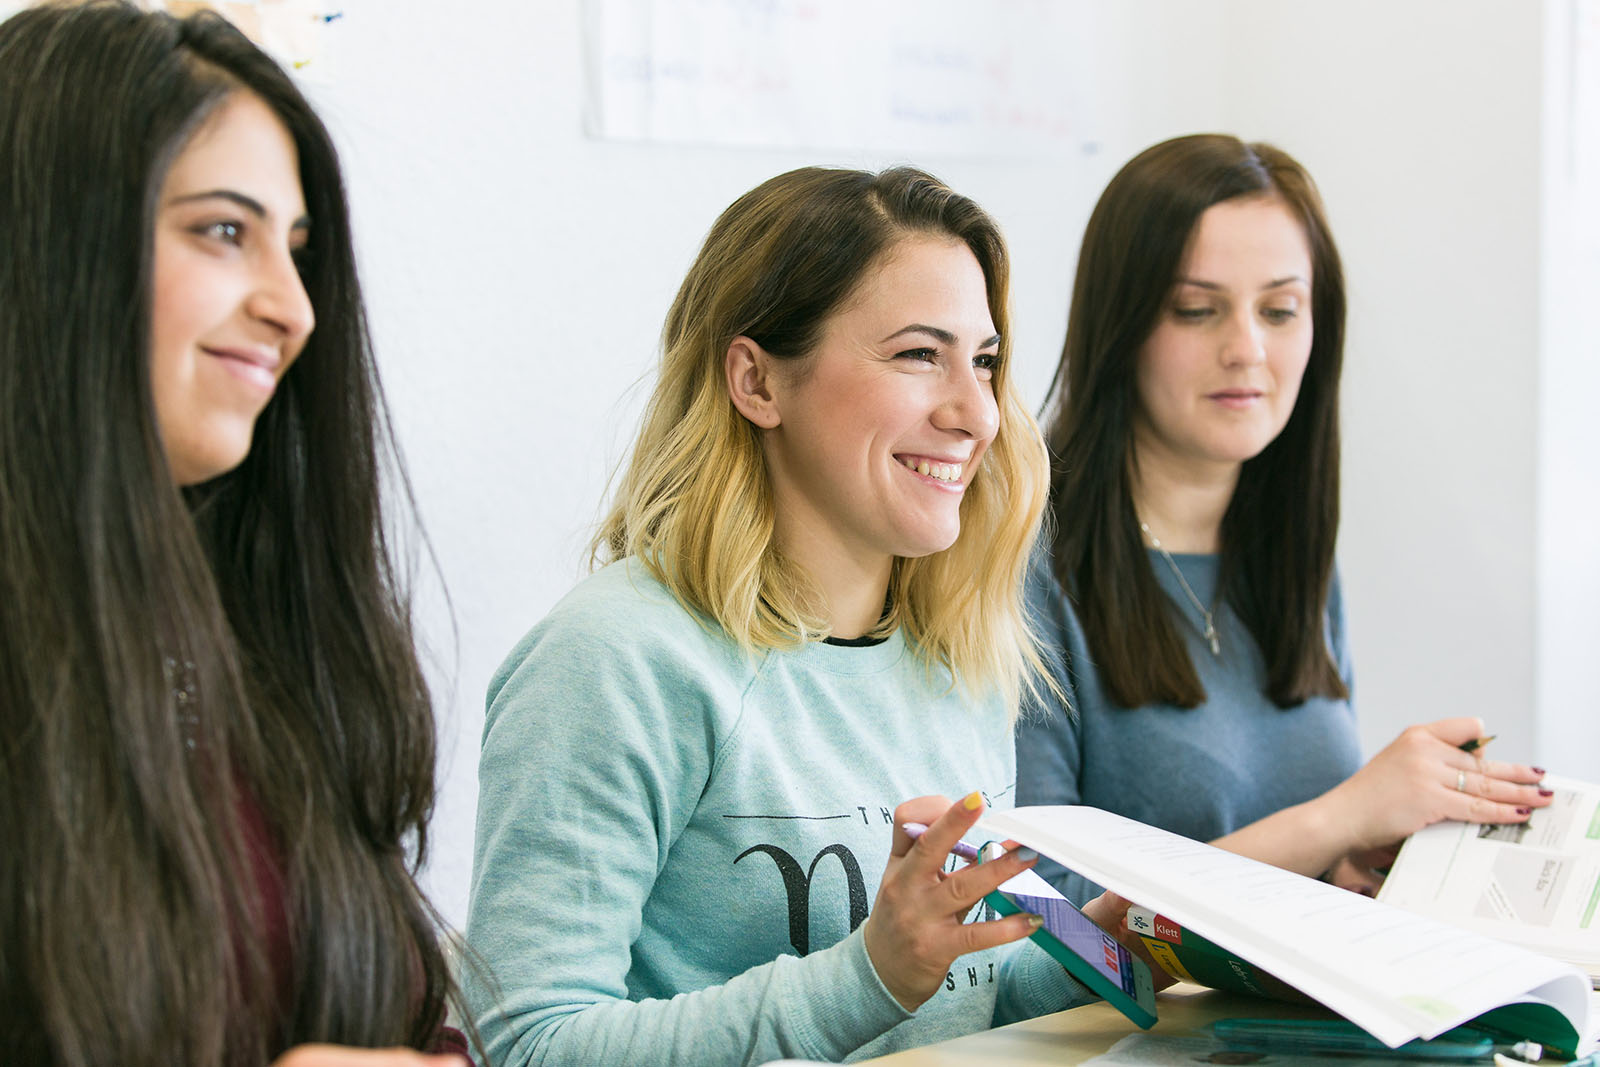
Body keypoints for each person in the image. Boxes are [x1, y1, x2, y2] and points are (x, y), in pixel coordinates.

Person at [463, 165, 1132, 1065]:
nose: (977, 412)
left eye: (983, 360)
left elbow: (971, 995)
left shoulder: (957, 653)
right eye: (917, 354)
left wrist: (1124, 949)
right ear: (758, 382)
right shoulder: (612, 660)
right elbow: (528, 1044)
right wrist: (872, 975)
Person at [0, 4, 468, 1064]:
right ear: (45, 241)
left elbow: (383, 1013)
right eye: (223, 230)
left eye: (296, 250)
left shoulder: (257, 639)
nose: (294, 308)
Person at [1015, 133, 1552, 906]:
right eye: (1196, 310)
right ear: (1120, 323)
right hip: (1111, 1030)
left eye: (1280, 309)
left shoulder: (1290, 554)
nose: (1247, 349)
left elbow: (1299, 860)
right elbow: (1041, 921)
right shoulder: (1025, 568)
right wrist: (1337, 818)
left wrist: (1356, 859)